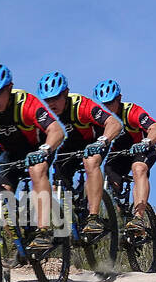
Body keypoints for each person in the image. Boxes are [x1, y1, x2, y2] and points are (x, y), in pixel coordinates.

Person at [0, 63, 66, 251]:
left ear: (9, 88)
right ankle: (20, 238)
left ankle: (43, 231)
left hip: (38, 147)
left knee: (37, 169)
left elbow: (57, 131)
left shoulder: (27, 103)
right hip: (10, 153)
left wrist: (44, 150)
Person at [37, 71, 122, 239]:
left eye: (55, 98)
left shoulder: (81, 104)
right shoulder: (44, 114)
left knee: (90, 162)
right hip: (67, 147)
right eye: (47, 100)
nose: (51, 103)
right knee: (57, 186)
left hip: (94, 141)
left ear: (66, 93)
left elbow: (114, 124)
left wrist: (102, 141)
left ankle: (93, 217)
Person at [93, 78, 156, 240]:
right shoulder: (98, 119)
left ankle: (138, 218)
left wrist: (147, 141)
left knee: (138, 168)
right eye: (102, 103)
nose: (106, 107)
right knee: (110, 181)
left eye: (110, 102)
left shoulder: (131, 111)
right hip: (119, 154)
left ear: (119, 99)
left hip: (143, 148)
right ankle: (120, 220)